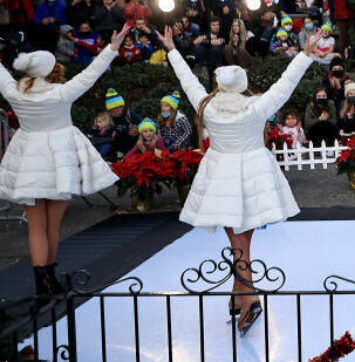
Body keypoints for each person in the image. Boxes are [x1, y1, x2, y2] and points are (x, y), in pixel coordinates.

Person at [160, 26, 318, 336]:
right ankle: (243, 293)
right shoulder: (256, 106)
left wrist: (173, 50)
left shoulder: (206, 106)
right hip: (252, 170)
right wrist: (304, 56)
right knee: (241, 236)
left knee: (237, 237)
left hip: (221, 172)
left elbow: (188, 81)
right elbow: (285, 85)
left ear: (219, 84)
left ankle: (247, 294)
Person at [0, 25, 128, 299]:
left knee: (36, 226)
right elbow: (91, 74)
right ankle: (51, 278)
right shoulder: (61, 92)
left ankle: (42, 283)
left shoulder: (14, 93)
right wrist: (112, 48)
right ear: (49, 70)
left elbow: (1, 74)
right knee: (52, 225)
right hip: (59, 162)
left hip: (28, 160)